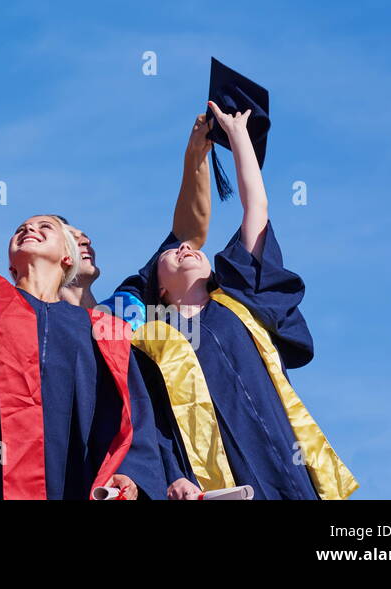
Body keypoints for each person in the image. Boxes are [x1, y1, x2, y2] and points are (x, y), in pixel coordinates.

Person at [0, 31, 179, 500]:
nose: (28, 229)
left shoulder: (104, 332)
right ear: (7, 260)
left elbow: (134, 425)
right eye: (21, 228)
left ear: (69, 255)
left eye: (45, 227)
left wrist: (130, 478)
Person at [115, 100, 358, 500]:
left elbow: (255, 209)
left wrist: (238, 135)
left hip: (285, 460)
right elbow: (151, 421)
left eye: (192, 250)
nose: (185, 250)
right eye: (171, 254)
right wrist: (173, 476)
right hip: (218, 477)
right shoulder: (149, 342)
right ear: (158, 289)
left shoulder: (239, 298)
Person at [61, 114, 213, 310]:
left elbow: (188, 235)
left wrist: (196, 153)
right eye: (69, 239)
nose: (85, 241)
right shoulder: (31, 325)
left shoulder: (128, 307)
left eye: (83, 236)